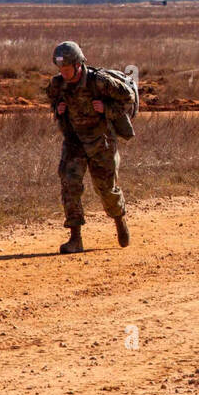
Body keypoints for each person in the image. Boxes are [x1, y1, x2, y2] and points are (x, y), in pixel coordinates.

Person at [45, 41, 132, 254]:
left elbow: (127, 99)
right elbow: (52, 101)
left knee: (106, 190)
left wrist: (106, 108)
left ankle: (119, 218)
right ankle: (75, 238)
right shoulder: (57, 84)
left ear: (78, 65)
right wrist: (59, 108)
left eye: (67, 69)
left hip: (101, 142)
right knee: (69, 184)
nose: (63, 73)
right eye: (61, 69)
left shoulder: (100, 82)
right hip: (74, 143)